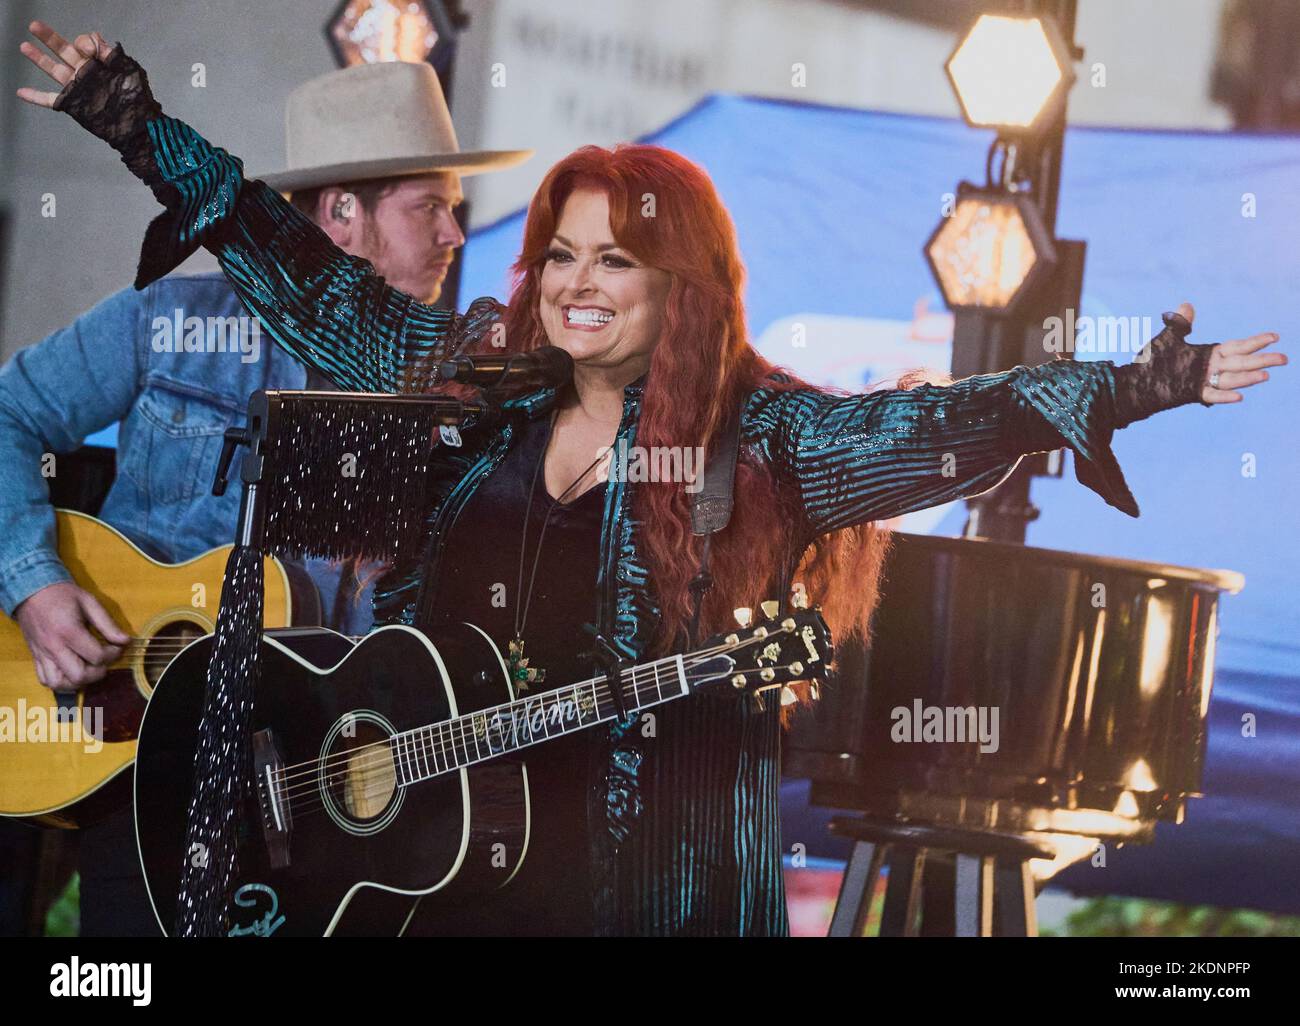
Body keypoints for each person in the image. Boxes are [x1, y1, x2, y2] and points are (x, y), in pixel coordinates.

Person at [18, 24, 1284, 937]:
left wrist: (1126, 385)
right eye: (559, 254)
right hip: (430, 883)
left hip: (639, 890)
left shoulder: (766, 438)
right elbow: (295, 270)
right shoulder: (474, 385)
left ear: (677, 283)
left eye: (612, 263)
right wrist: (138, 124)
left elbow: (940, 419)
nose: (571, 282)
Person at [2, 26, 530, 936]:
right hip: (133, 770)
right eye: (426, 206)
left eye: (455, 208)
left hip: (319, 804)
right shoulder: (169, 320)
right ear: (340, 216)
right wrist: (34, 584)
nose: (455, 233)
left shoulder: (447, 387)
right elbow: (6, 413)